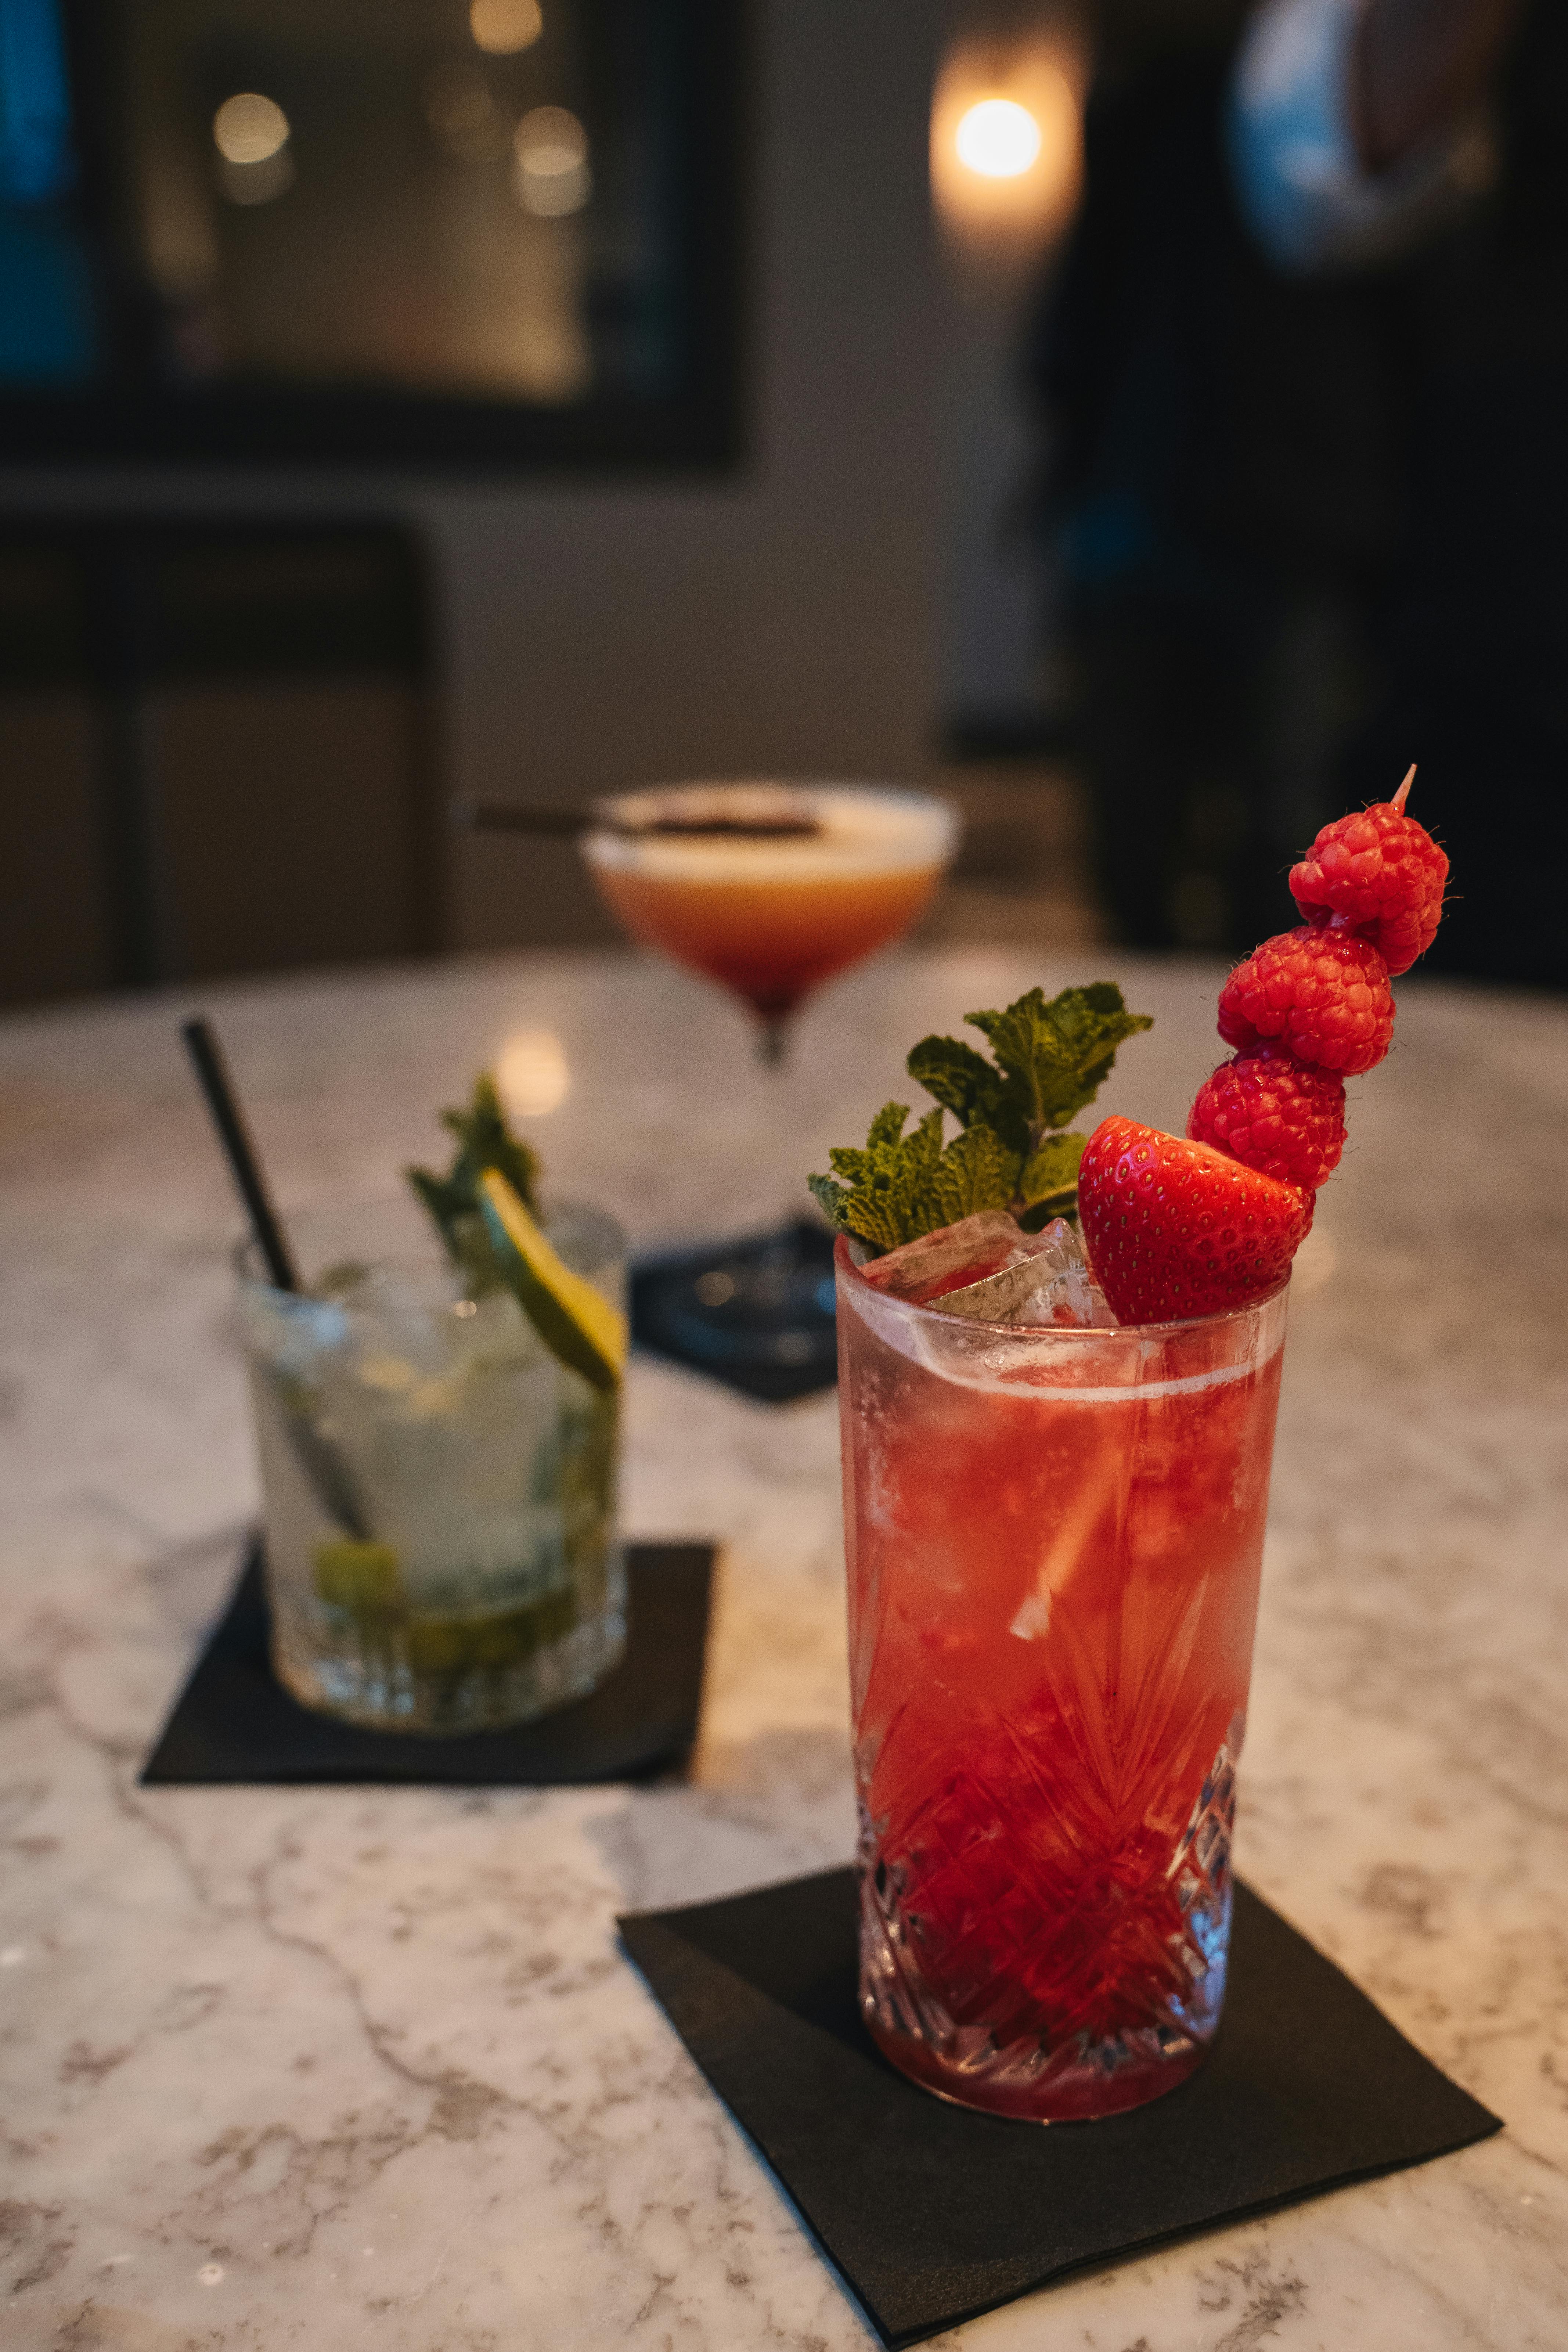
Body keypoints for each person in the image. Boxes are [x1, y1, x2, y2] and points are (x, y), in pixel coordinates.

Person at [1032, 0, 1568, 986]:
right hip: (1151, 515)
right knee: (1139, 814)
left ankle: (1267, 1040)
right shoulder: (1156, 107)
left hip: (1305, 517)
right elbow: (1078, 321)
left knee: (1294, 830)